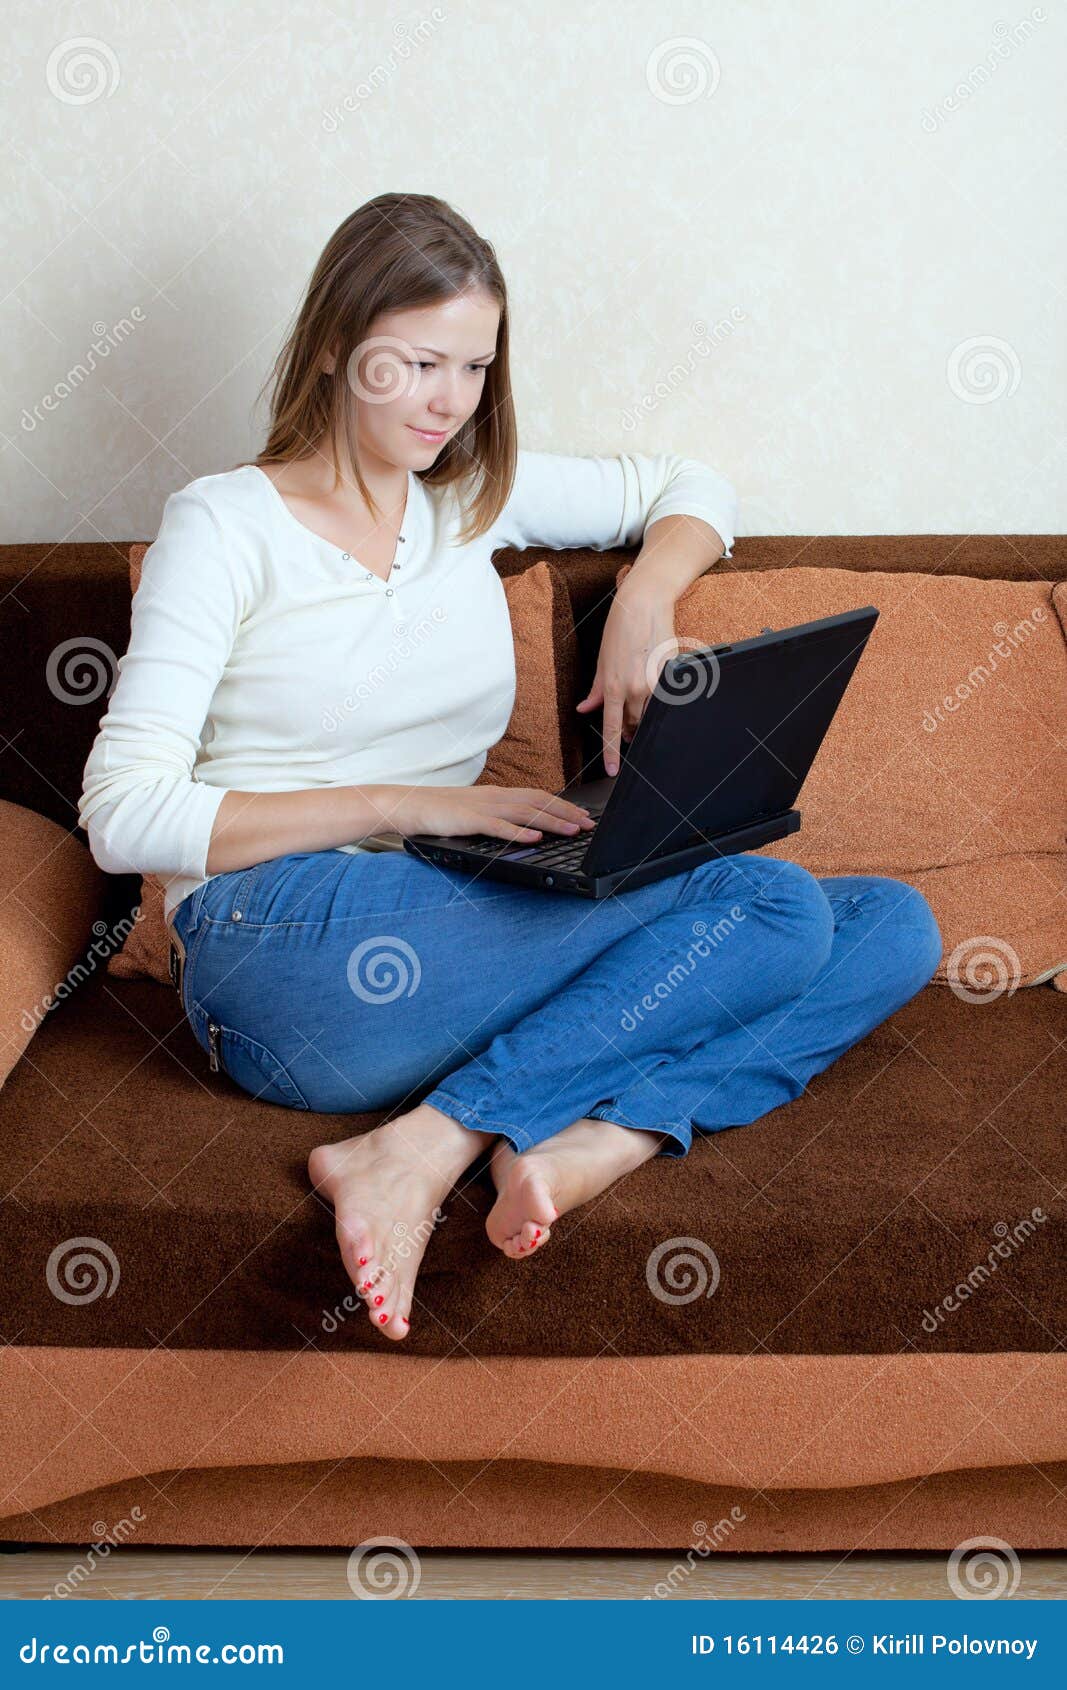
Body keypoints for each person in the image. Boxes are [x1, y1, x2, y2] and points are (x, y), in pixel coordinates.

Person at [79, 192, 943, 1343]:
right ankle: (431, 1145)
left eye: (474, 366)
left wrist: (643, 597)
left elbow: (692, 488)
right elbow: (120, 814)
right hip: (277, 950)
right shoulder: (224, 525)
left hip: (460, 914)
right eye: (419, 362)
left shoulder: (474, 498)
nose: (449, 401)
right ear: (335, 345)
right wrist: (404, 800)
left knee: (890, 924)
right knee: (771, 905)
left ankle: (599, 1133)